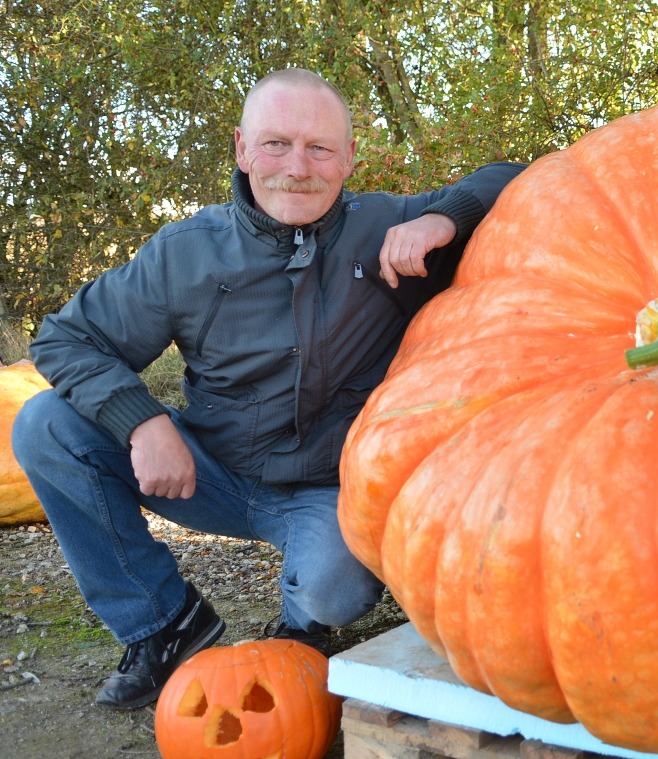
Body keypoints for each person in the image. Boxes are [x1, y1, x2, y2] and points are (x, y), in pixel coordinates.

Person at [11, 68, 525, 710]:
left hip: (327, 493)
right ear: (242, 149)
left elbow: (517, 177)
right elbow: (66, 339)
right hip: (211, 474)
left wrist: (445, 219)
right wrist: (142, 421)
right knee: (45, 426)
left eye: (320, 148)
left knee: (334, 589)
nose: (298, 167)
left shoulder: (386, 228)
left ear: (348, 160)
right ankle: (162, 624)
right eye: (276, 143)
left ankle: (298, 631)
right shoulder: (185, 253)